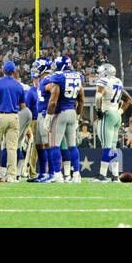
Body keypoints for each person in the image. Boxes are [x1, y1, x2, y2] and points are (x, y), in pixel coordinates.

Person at [0, 60, 26, 182]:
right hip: (14, 116)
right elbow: (22, 105)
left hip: (0, 116)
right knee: (12, 147)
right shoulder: (19, 85)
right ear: (14, 72)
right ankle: (12, 175)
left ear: (3, 70)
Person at [45, 55, 84, 183]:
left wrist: (48, 116)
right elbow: (81, 99)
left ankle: (57, 174)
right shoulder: (78, 76)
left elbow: (53, 101)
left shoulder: (58, 77)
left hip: (60, 113)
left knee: (54, 145)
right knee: (72, 145)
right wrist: (78, 115)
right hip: (72, 112)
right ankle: (76, 174)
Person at [94, 65, 131, 181]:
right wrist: (119, 111)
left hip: (108, 113)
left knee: (106, 146)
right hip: (116, 114)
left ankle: (102, 176)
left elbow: (98, 96)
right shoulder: (118, 82)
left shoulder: (104, 81)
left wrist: (98, 110)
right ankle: (115, 176)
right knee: (113, 148)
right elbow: (128, 99)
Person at [26, 58, 52, 183]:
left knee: (48, 144)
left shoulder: (49, 80)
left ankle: (51, 173)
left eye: (37, 67)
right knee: (39, 145)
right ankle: (42, 173)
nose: (35, 70)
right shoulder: (40, 83)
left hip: (46, 115)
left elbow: (55, 92)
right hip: (39, 116)